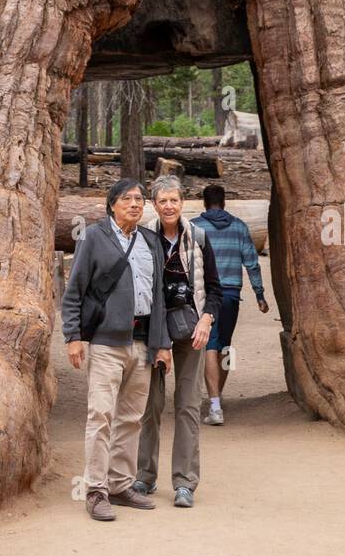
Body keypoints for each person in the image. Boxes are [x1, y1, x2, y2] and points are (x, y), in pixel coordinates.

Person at [61, 178, 172, 522]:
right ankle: (96, 489)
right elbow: (75, 288)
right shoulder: (94, 237)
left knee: (130, 418)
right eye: (128, 199)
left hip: (141, 344)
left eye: (140, 199)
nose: (136, 204)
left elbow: (158, 297)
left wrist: (162, 344)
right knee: (100, 416)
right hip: (107, 343)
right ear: (112, 204)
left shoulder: (150, 241)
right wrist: (73, 335)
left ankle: (121, 484)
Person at [132, 175, 223, 509]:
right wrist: (159, 343)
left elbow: (215, 288)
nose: (168, 206)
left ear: (182, 203)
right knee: (150, 406)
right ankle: (144, 475)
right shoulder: (143, 239)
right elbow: (143, 289)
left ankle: (184, 482)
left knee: (187, 405)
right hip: (154, 332)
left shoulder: (198, 237)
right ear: (154, 205)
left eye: (174, 200)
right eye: (162, 201)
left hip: (190, 331)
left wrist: (206, 319)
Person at [193, 183, 269, 425]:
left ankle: (215, 405)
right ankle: (218, 396)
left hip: (207, 295)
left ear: (204, 203)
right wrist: (259, 294)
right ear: (224, 202)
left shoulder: (196, 227)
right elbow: (252, 263)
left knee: (210, 347)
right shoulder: (239, 227)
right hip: (232, 295)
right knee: (225, 345)